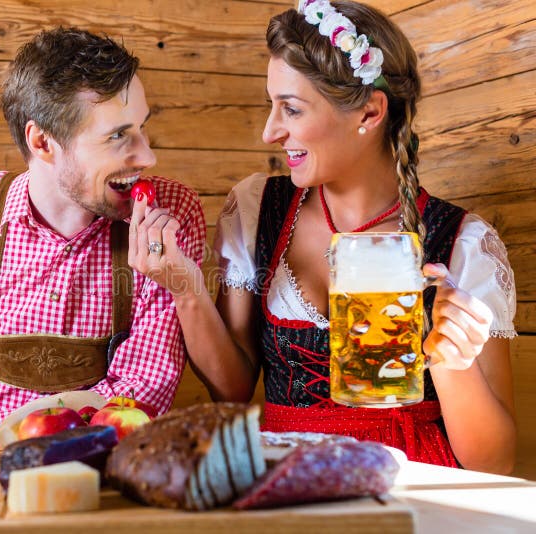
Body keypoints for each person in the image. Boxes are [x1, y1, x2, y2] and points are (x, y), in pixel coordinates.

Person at [130, 0, 517, 473]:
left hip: (411, 484)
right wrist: (183, 284)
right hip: (288, 481)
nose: (271, 131)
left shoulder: (463, 243)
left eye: (290, 109)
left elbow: (493, 464)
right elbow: (230, 388)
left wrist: (452, 360)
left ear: (371, 113)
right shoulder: (257, 209)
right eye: (271, 106)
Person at [0, 27, 206, 439]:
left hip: (88, 473)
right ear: (43, 142)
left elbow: (143, 390)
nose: (147, 155)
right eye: (118, 136)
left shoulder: (166, 218)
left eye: (141, 128)